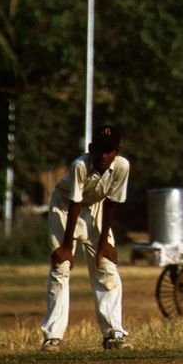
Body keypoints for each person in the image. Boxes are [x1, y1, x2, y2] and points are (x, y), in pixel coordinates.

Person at [40, 124, 131, 352]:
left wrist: (103, 245)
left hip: (97, 208)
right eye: (99, 150)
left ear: (117, 152)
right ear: (91, 148)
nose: (103, 156)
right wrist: (67, 246)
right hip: (64, 208)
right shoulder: (80, 164)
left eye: (109, 151)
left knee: (106, 266)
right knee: (61, 267)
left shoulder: (122, 166)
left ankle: (113, 334)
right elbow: (74, 202)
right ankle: (53, 337)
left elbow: (111, 202)